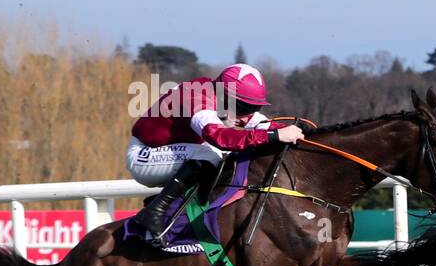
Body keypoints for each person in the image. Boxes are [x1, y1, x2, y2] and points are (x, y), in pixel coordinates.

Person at [127, 63, 305, 238]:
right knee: (212, 153)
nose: (246, 115)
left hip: (172, 153)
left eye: (253, 108)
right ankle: (154, 211)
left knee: (224, 154)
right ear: (225, 96)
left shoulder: (220, 95)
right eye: (242, 108)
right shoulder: (196, 97)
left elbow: (263, 125)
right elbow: (219, 138)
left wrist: (305, 133)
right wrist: (274, 136)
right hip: (144, 156)